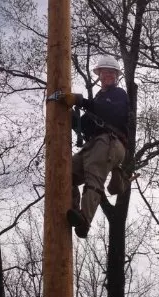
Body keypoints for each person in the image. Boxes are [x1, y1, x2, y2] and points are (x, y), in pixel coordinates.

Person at [58, 55, 130, 238]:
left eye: (111, 74)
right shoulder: (99, 98)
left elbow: (107, 111)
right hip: (95, 143)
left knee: (94, 178)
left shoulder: (119, 95)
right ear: (99, 75)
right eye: (104, 73)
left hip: (110, 142)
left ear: (116, 77)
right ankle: (74, 212)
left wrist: (81, 101)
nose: (107, 76)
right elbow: (86, 124)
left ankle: (84, 221)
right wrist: (69, 116)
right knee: (67, 173)